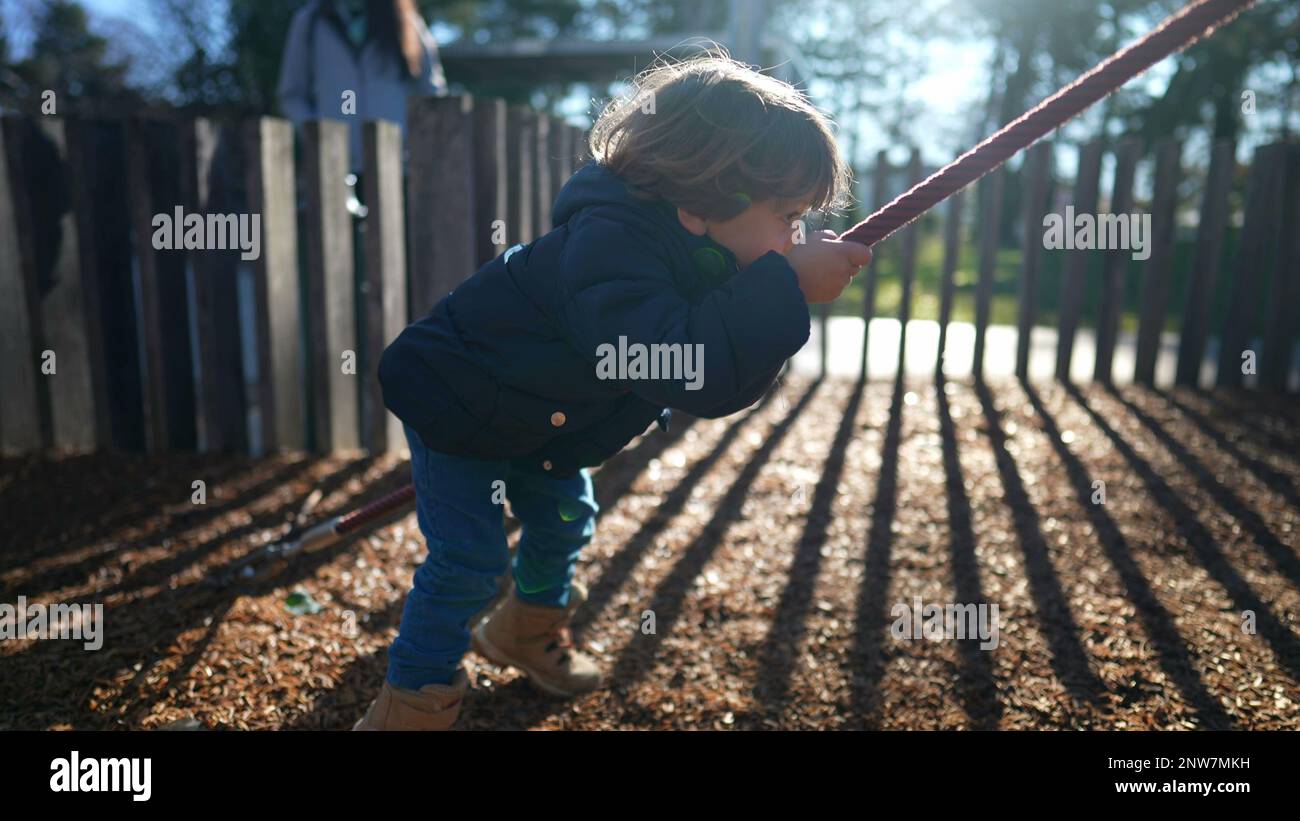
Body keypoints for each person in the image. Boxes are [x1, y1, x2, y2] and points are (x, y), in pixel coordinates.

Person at [353, 50, 872, 730]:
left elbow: (721, 373)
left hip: (539, 418)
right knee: (470, 561)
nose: (795, 234)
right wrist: (784, 288)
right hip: (458, 404)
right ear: (701, 203)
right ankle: (413, 702)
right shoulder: (609, 249)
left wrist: (775, 284)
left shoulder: (699, 252)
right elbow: (687, 366)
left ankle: (522, 632)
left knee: (566, 517)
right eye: (788, 215)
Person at [277, 0, 447, 173]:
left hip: (397, 164)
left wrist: (415, 143)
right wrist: (317, 136)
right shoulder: (311, 20)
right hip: (335, 168)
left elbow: (432, 94)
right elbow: (293, 94)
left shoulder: (404, 19)